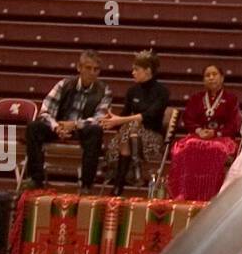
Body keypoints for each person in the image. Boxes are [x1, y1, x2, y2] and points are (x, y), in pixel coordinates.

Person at [24, 50, 112, 191]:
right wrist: (56, 127)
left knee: (96, 131)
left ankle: (86, 185)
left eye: (96, 69)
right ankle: (35, 179)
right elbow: (45, 111)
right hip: (59, 125)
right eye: (88, 68)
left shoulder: (104, 90)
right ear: (79, 68)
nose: (92, 72)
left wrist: (75, 125)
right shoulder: (64, 84)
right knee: (33, 127)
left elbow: (100, 118)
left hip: (82, 128)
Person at [100, 50, 170, 196]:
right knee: (129, 132)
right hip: (130, 137)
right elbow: (124, 115)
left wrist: (121, 121)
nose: (133, 73)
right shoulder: (132, 91)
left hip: (152, 137)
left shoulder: (162, 91)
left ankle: (118, 186)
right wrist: (113, 121)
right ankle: (133, 167)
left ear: (148, 71)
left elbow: (150, 115)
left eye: (136, 69)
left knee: (130, 131)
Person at [168, 64, 242, 201]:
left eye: (214, 74)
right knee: (185, 148)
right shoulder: (196, 98)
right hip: (199, 136)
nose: (211, 78)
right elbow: (188, 118)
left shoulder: (231, 99)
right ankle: (184, 192)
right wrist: (199, 131)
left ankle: (214, 194)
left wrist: (216, 133)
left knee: (217, 149)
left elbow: (234, 124)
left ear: (222, 78)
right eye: (207, 75)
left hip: (222, 138)